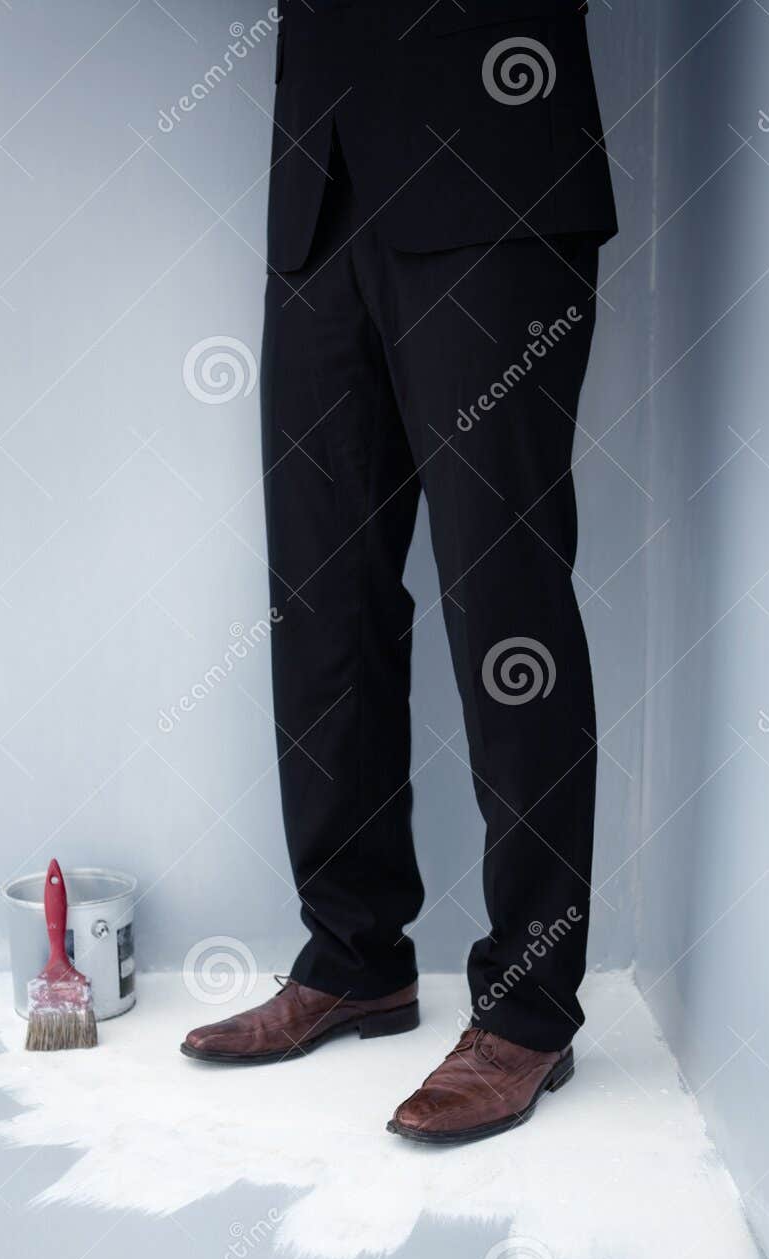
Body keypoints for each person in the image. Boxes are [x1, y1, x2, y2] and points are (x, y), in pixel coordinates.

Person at [182, 0, 617, 1146]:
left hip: (492, 171)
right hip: (321, 189)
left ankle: (526, 1011)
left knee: (501, 601)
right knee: (321, 596)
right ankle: (353, 954)